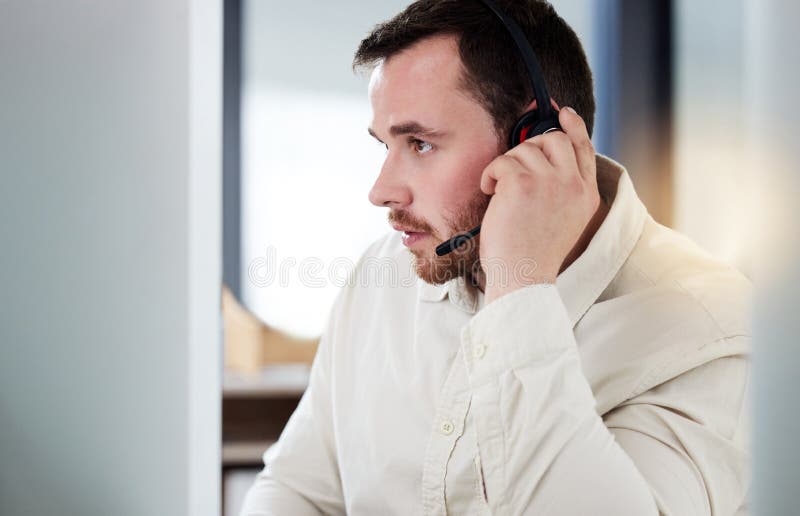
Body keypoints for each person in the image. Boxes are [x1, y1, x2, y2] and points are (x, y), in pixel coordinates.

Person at [240, 1, 751, 514]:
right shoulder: (381, 275)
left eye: (419, 144)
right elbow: (296, 490)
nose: (381, 191)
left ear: (535, 141)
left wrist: (521, 288)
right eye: (385, 146)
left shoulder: (708, 328)